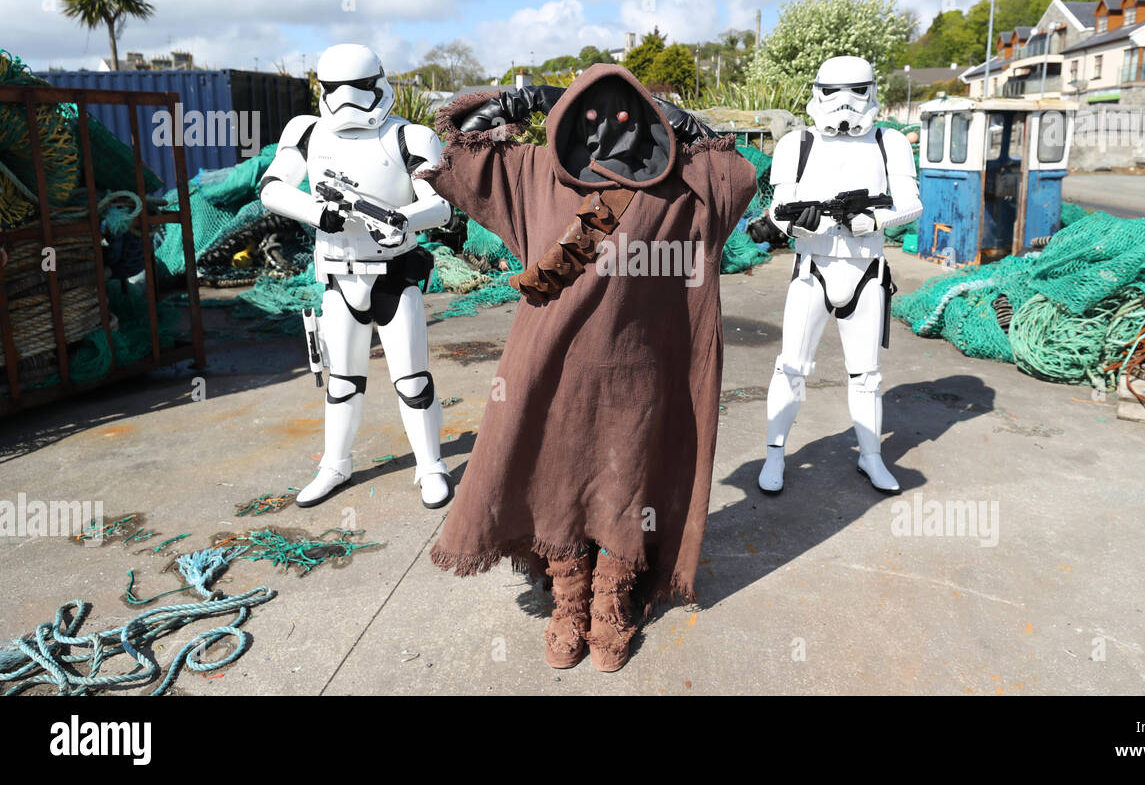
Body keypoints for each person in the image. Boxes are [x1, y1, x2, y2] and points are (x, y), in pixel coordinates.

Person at [420, 64, 756, 671]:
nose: (607, 130)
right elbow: (462, 146)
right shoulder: (533, 174)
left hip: (639, 376)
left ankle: (609, 604)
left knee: (627, 485)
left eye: (626, 117)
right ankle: (569, 603)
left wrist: (676, 118)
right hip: (550, 372)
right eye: (590, 115)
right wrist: (532, 98)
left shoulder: (680, 187)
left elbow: (739, 173)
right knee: (558, 481)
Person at [259, 43, 454, 509]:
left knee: (412, 380)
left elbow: (441, 204)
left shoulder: (410, 136)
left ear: (377, 85)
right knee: (342, 380)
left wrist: (403, 220)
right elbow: (272, 187)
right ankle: (335, 463)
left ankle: (430, 464)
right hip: (337, 277)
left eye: (358, 89)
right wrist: (314, 211)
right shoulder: (307, 132)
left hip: (393, 275)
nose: (346, 101)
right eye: (334, 90)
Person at [760, 55, 922, 496]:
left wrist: (877, 219)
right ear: (818, 92)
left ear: (871, 91)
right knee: (791, 367)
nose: (845, 103)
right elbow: (777, 209)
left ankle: (871, 456)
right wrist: (796, 225)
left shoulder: (891, 142)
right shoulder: (798, 144)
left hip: (867, 270)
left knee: (867, 374)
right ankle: (775, 453)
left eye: (856, 91)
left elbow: (911, 203)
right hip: (811, 268)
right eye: (833, 92)